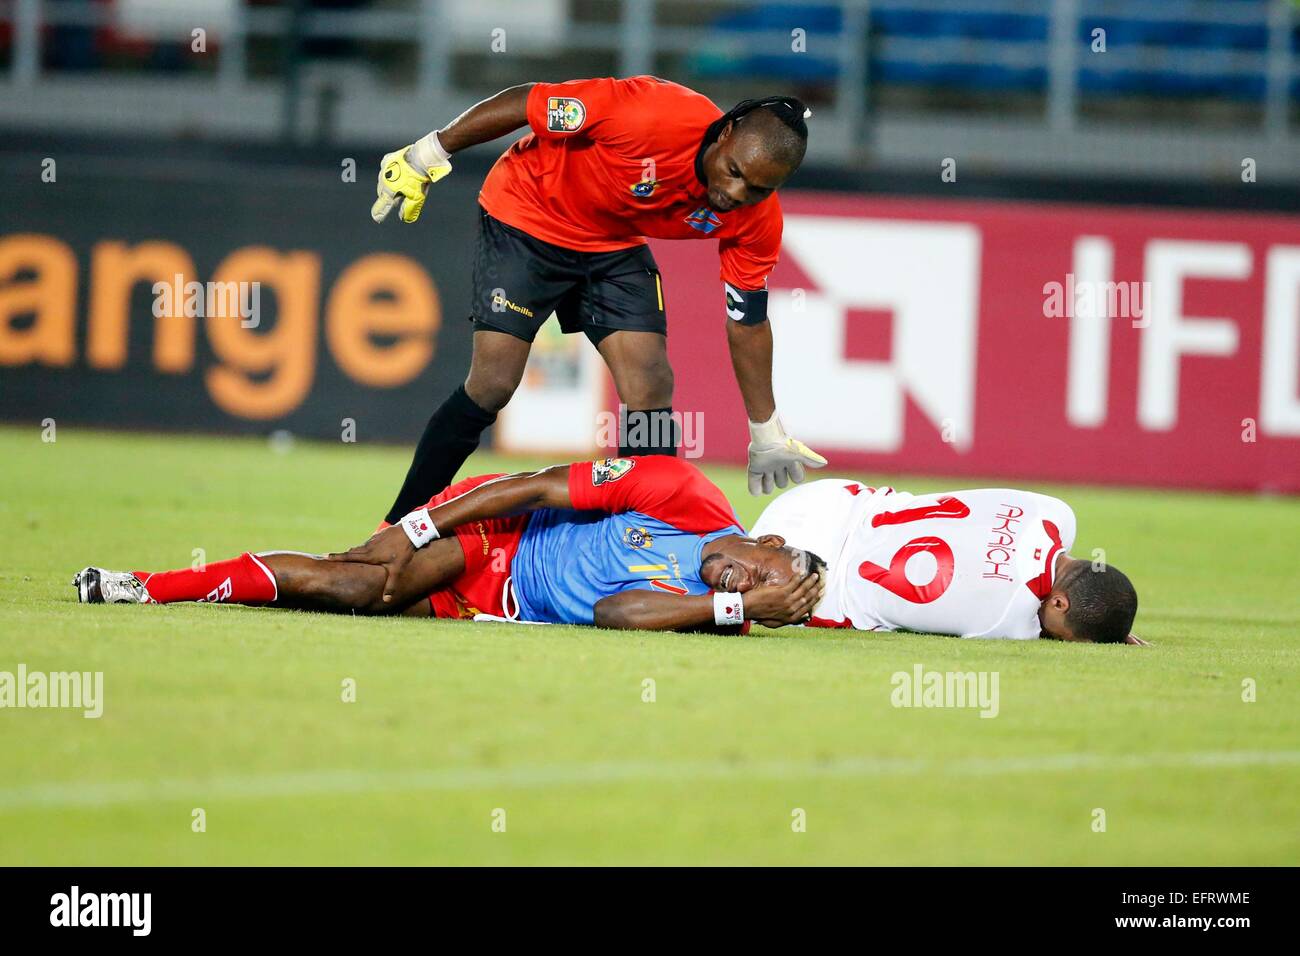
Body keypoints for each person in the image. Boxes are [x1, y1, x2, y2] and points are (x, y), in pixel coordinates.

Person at [371, 76, 827, 527]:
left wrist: (765, 429)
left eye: (759, 189)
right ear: (726, 132)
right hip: (527, 212)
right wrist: (429, 152)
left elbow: (747, 322)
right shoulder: (649, 112)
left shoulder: (755, 219)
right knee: (493, 384)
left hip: (611, 241)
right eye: (734, 172)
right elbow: (525, 102)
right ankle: (396, 530)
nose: (736, 194)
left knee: (650, 382)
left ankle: (647, 536)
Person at [73, 457, 825, 633]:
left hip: (493, 608)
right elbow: (534, 486)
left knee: (347, 596)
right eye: (763, 571)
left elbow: (615, 614)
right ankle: (147, 584)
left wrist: (735, 608)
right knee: (361, 584)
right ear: (770, 537)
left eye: (761, 596)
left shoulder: (712, 608)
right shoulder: (678, 491)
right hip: (497, 534)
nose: (744, 581)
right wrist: (420, 526)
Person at [750, 479, 1144, 643]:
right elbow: (1037, 617)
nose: (1057, 635)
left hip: (821, 501)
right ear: (1058, 603)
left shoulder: (1055, 511)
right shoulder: (1009, 617)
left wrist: (1101, 622)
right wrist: (1102, 632)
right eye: (1066, 634)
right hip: (805, 578)